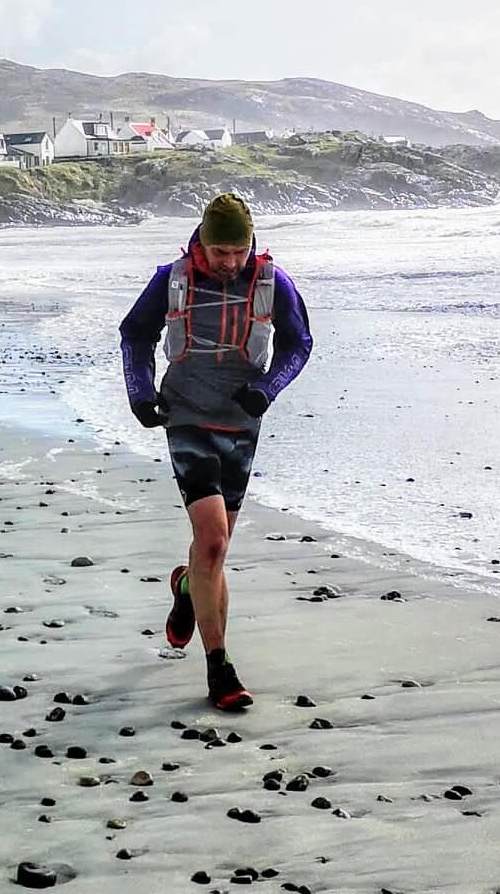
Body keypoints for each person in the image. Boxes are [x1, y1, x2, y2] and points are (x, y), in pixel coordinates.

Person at [119, 192, 313, 712]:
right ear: (202, 242)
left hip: (241, 419)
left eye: (238, 251)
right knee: (213, 542)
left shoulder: (274, 283)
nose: (229, 262)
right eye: (220, 250)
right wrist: (140, 391)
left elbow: (299, 344)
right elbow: (135, 334)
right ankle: (219, 668)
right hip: (184, 414)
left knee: (213, 551)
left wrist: (268, 389)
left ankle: (187, 589)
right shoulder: (172, 278)